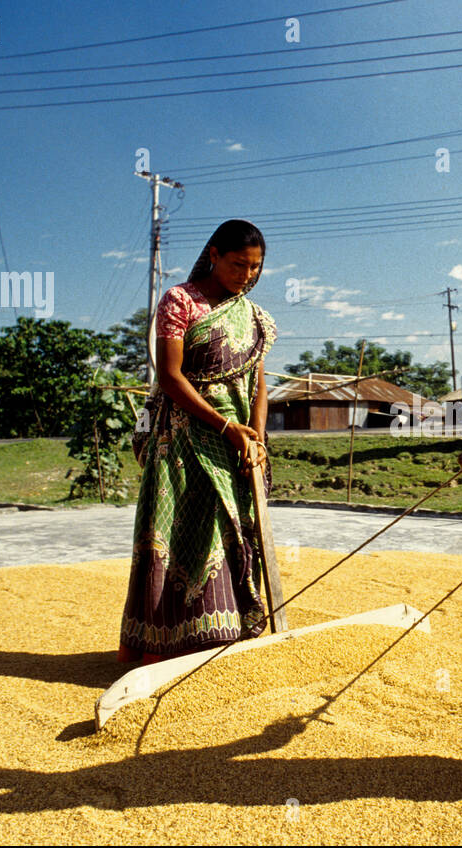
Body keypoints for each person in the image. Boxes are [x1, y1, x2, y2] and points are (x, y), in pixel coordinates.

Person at [119, 219, 277, 664]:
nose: (246, 275)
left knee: (231, 534)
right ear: (213, 255)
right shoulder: (180, 301)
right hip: (185, 438)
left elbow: (258, 386)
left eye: (255, 267)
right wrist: (223, 426)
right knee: (183, 536)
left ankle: (225, 638)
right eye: (237, 264)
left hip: (238, 444)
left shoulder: (254, 317)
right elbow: (169, 376)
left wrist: (256, 438)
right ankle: (169, 646)